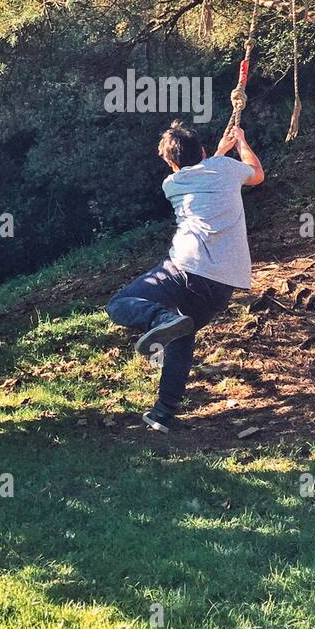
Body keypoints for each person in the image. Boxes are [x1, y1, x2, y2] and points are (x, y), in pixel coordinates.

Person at [106, 118, 265, 432]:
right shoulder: (228, 170)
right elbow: (256, 174)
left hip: (184, 270)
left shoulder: (172, 184)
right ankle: (163, 413)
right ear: (203, 150)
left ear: (170, 163)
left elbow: (198, 171)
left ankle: (160, 318)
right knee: (182, 334)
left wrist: (219, 152)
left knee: (119, 303)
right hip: (223, 284)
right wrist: (242, 142)